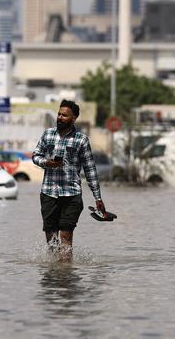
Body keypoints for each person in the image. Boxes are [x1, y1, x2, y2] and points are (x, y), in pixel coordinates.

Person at [32, 100, 106, 261]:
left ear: (74, 118)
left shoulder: (81, 140)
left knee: (66, 236)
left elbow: (90, 169)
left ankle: (65, 277)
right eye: (59, 114)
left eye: (64, 115)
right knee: (51, 239)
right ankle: (53, 275)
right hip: (48, 193)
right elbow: (35, 156)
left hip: (71, 195)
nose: (59, 117)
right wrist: (47, 162)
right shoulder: (47, 134)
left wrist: (97, 197)